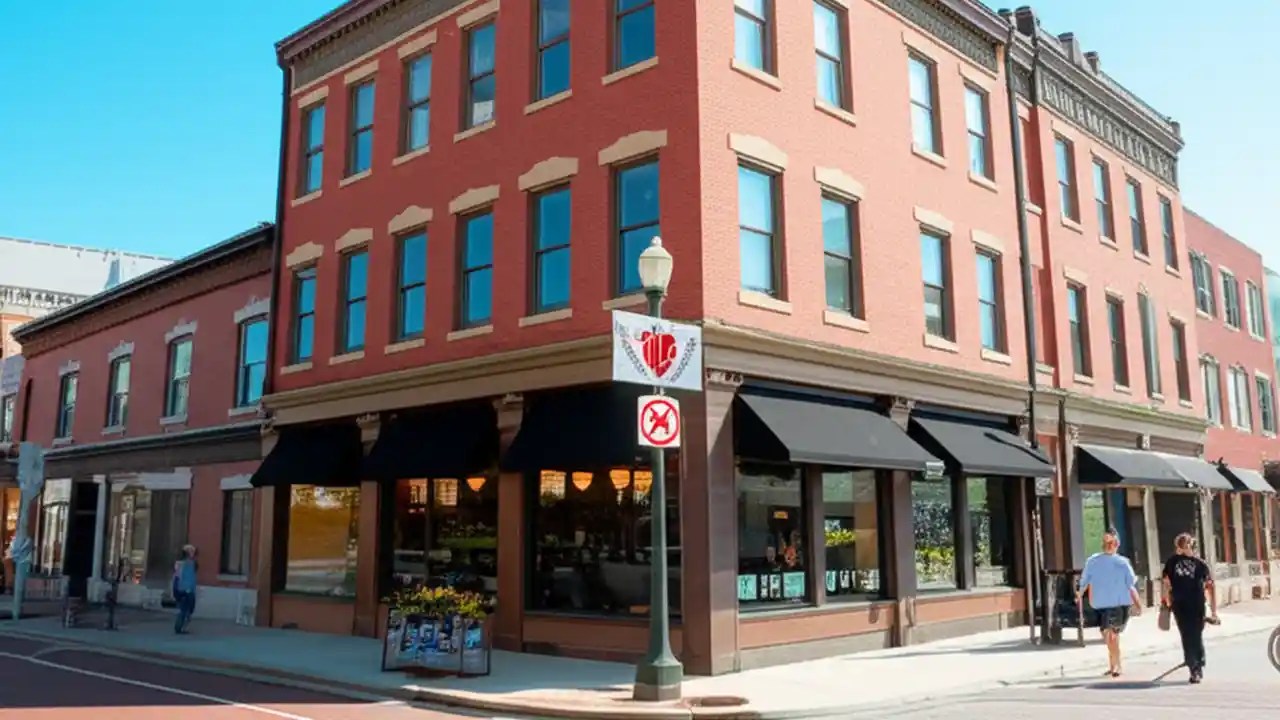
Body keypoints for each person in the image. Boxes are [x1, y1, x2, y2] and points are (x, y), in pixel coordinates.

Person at [1077, 531, 1142, 677]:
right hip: (1100, 604)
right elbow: (1085, 580)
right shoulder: (1093, 561)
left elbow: (1131, 584)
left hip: (1118, 604)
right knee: (1107, 634)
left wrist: (1138, 603)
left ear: (1116, 545)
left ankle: (1116, 665)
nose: (1108, 546)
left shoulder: (1122, 563)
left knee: (1111, 634)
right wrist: (1079, 594)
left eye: (1111, 543)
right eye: (1106, 543)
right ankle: (1114, 663)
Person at [1161, 532, 1219, 684]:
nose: (1183, 548)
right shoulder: (1172, 562)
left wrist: (1214, 611)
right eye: (1181, 545)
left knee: (1195, 634)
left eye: (1186, 545)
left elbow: (1210, 586)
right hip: (1179, 604)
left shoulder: (1200, 564)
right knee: (1187, 634)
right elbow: (1166, 582)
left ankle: (1196, 663)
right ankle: (1194, 666)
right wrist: (1166, 600)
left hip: (1196, 603)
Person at [173, 544, 198, 634]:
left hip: (180, 589)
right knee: (187, 609)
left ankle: (181, 625)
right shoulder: (189, 564)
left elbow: (176, 577)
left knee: (184, 608)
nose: (193, 554)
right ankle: (181, 626)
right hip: (187, 590)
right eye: (192, 553)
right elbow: (187, 578)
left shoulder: (179, 564)